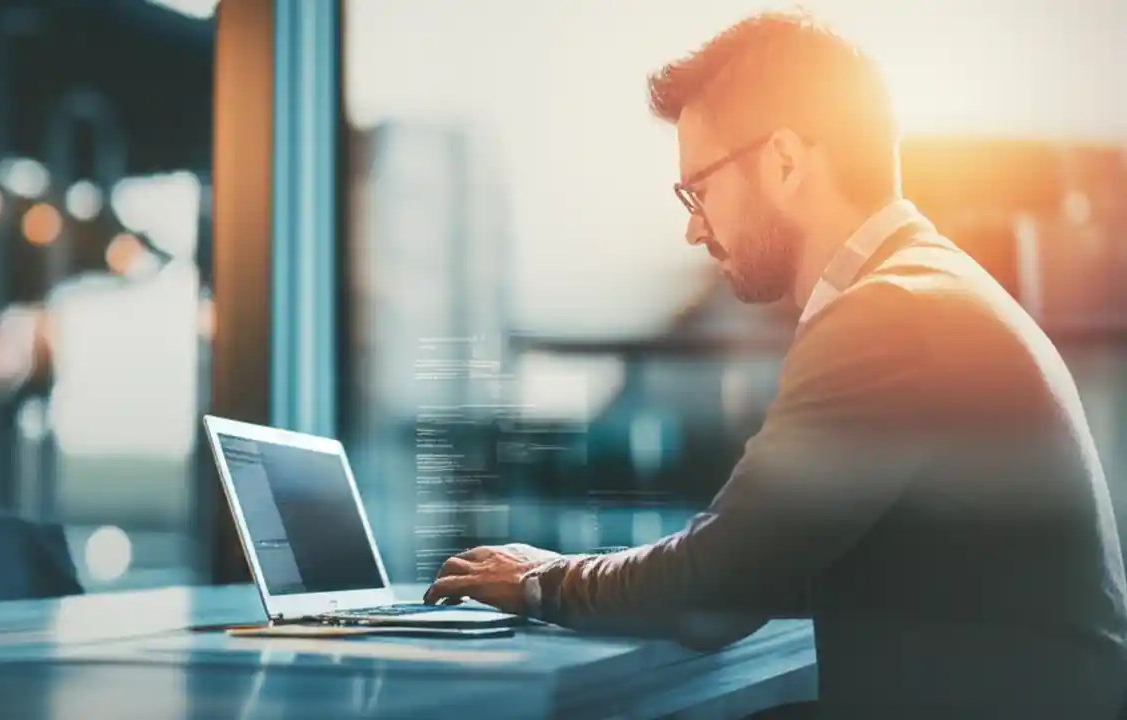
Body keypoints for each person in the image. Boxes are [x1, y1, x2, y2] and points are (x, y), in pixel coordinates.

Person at [423, 10, 1127, 718]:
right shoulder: (926, 284)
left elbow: (714, 590)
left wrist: (548, 580)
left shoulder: (888, 315)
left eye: (698, 188)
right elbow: (762, 554)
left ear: (786, 161)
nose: (694, 225)